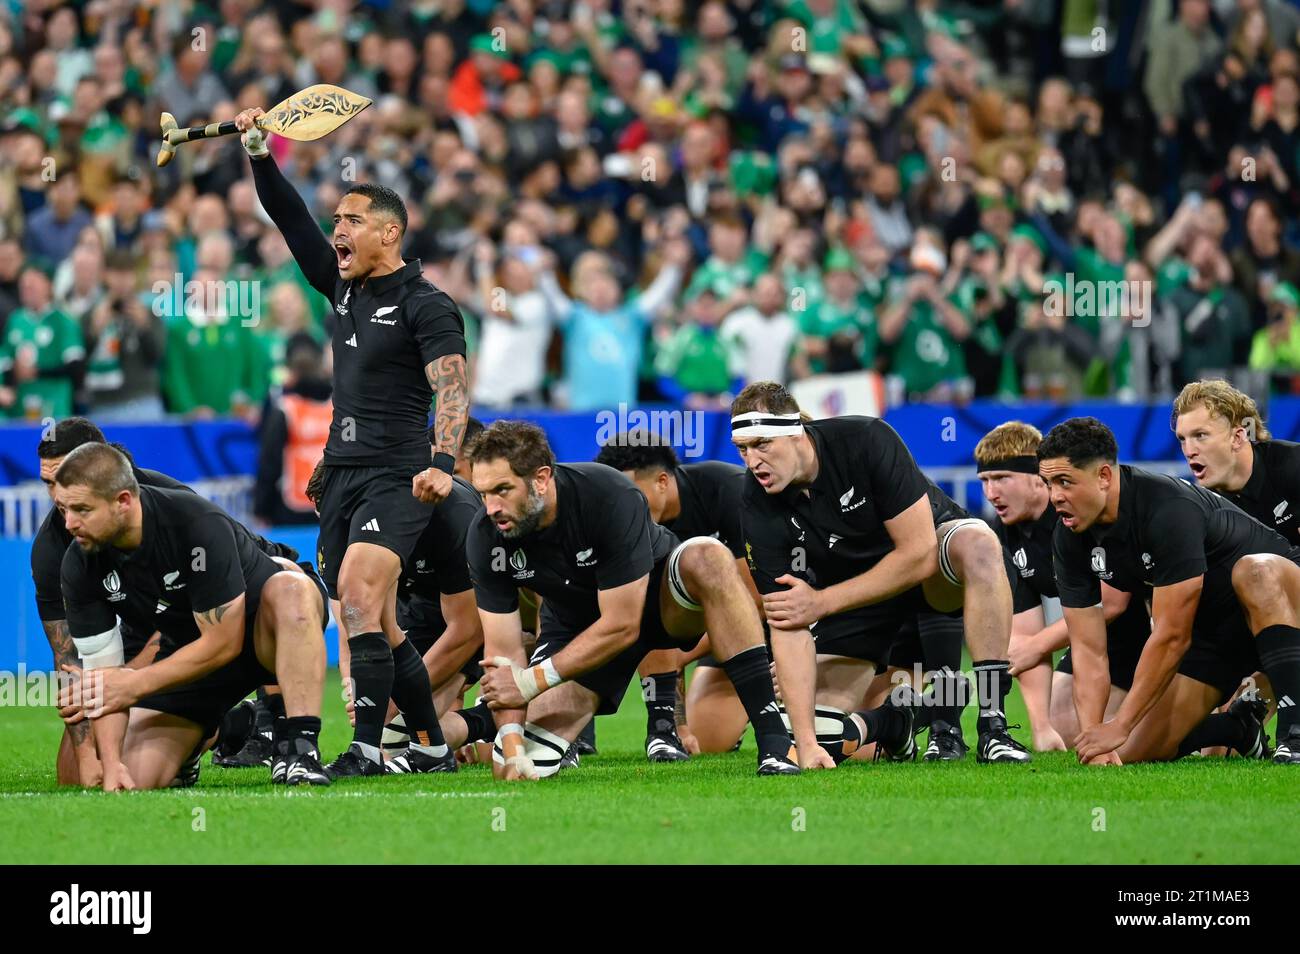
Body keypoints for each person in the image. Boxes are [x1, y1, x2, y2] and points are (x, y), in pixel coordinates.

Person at [237, 105, 469, 778]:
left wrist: (443, 464)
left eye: (352, 220)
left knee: (363, 597)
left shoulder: (428, 305)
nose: (337, 229)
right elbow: (289, 217)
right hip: (341, 473)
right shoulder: (340, 289)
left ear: (390, 234)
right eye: (337, 220)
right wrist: (258, 153)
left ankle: (366, 748)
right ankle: (429, 744)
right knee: (379, 624)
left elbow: (452, 389)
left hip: (399, 472)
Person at [465, 420, 801, 778]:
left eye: (503, 489)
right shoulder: (486, 536)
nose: (491, 507)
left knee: (708, 555)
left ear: (541, 478)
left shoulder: (606, 494)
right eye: (483, 493)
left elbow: (623, 625)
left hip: (662, 605)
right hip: (582, 629)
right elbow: (504, 656)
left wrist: (532, 680)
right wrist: (513, 743)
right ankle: (470, 739)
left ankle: (774, 743)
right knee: (506, 759)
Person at [732, 381, 1031, 765]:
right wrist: (806, 745)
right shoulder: (756, 501)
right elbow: (787, 615)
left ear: (795, 433)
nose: (752, 461)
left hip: (932, 573)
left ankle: (993, 726)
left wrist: (821, 602)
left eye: (762, 445)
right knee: (818, 731)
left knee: (978, 542)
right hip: (862, 596)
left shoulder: (865, 439)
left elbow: (920, 554)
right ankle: (894, 721)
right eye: (743, 449)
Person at [54, 443, 334, 789]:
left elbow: (223, 643)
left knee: (292, 589)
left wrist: (134, 682)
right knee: (99, 777)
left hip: (259, 635)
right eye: (63, 509)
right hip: (187, 654)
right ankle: (215, 733)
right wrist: (111, 764)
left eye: (82, 510)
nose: (69, 523)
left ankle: (301, 751)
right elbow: (105, 679)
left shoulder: (193, 523)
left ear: (123, 501)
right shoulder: (79, 562)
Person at [1040, 417, 1300, 764]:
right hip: (1214, 633)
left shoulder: (1165, 507)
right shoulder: (1068, 537)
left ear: (1104, 476)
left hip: (1282, 612)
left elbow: (1171, 635)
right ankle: (1236, 726)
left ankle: (1294, 736)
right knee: (1131, 752)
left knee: (1257, 572)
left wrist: (1123, 722)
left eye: (1064, 482)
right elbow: (1088, 647)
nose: (1055, 496)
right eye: (1048, 483)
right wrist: (1096, 736)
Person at [976, 421, 1159, 752]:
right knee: (1065, 724)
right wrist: (1041, 728)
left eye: (1002, 478)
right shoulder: (1002, 535)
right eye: (985, 481)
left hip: (1149, 633)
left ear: (1037, 479)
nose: (991, 493)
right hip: (1093, 638)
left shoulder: (1075, 512)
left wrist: (1039, 645)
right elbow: (1022, 636)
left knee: (1144, 743)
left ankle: (1222, 723)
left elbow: (1112, 602)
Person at [594, 432, 751, 761]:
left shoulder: (730, 490)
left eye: (632, 495)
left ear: (663, 481)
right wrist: (680, 723)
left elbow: (755, 601)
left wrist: (681, 654)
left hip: (780, 621)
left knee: (850, 745)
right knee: (710, 742)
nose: (625, 507)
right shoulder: (630, 530)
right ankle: (665, 728)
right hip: (707, 631)